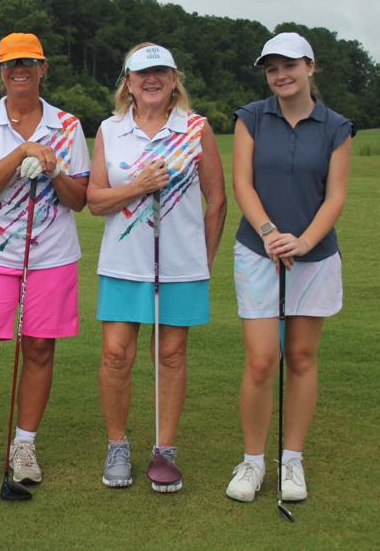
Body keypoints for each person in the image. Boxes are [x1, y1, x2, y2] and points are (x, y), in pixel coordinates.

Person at [0, 32, 90, 495]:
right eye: (10, 64)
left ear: (43, 67)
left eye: (28, 62)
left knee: (40, 349)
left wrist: (55, 170)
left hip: (51, 255)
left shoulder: (68, 125)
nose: (18, 70)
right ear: (0, 71)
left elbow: (79, 199)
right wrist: (24, 151)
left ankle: (23, 445)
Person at [87, 43, 226, 494]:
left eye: (161, 73)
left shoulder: (196, 128)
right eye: (142, 73)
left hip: (181, 267)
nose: (152, 80)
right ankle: (118, 445)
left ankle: (165, 449)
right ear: (127, 82)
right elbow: (94, 201)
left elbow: (217, 200)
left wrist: (202, 260)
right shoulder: (110, 129)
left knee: (169, 356)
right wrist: (140, 186)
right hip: (123, 265)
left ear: (173, 80)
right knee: (115, 355)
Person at [225, 32, 354, 504]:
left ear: (311, 67)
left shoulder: (337, 127)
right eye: (272, 67)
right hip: (259, 251)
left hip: (315, 257)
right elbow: (242, 182)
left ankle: (292, 460)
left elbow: (335, 195)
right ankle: (254, 461)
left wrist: (302, 241)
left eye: (290, 66)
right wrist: (268, 232)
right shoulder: (252, 117)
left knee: (301, 358)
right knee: (262, 361)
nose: (281, 75)